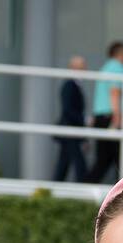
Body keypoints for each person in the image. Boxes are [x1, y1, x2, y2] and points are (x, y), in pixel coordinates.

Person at [90, 40, 123, 184]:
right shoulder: (117, 68)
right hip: (114, 118)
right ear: (121, 54)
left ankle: (88, 186)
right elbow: (115, 92)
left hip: (107, 117)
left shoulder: (106, 68)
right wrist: (118, 118)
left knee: (105, 159)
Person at [51, 54, 88, 182]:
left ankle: (53, 189)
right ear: (73, 68)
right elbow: (68, 109)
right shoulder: (69, 85)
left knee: (63, 164)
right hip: (70, 130)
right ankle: (83, 191)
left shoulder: (75, 85)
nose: (85, 70)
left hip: (71, 130)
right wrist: (84, 120)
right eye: (82, 67)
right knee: (79, 164)